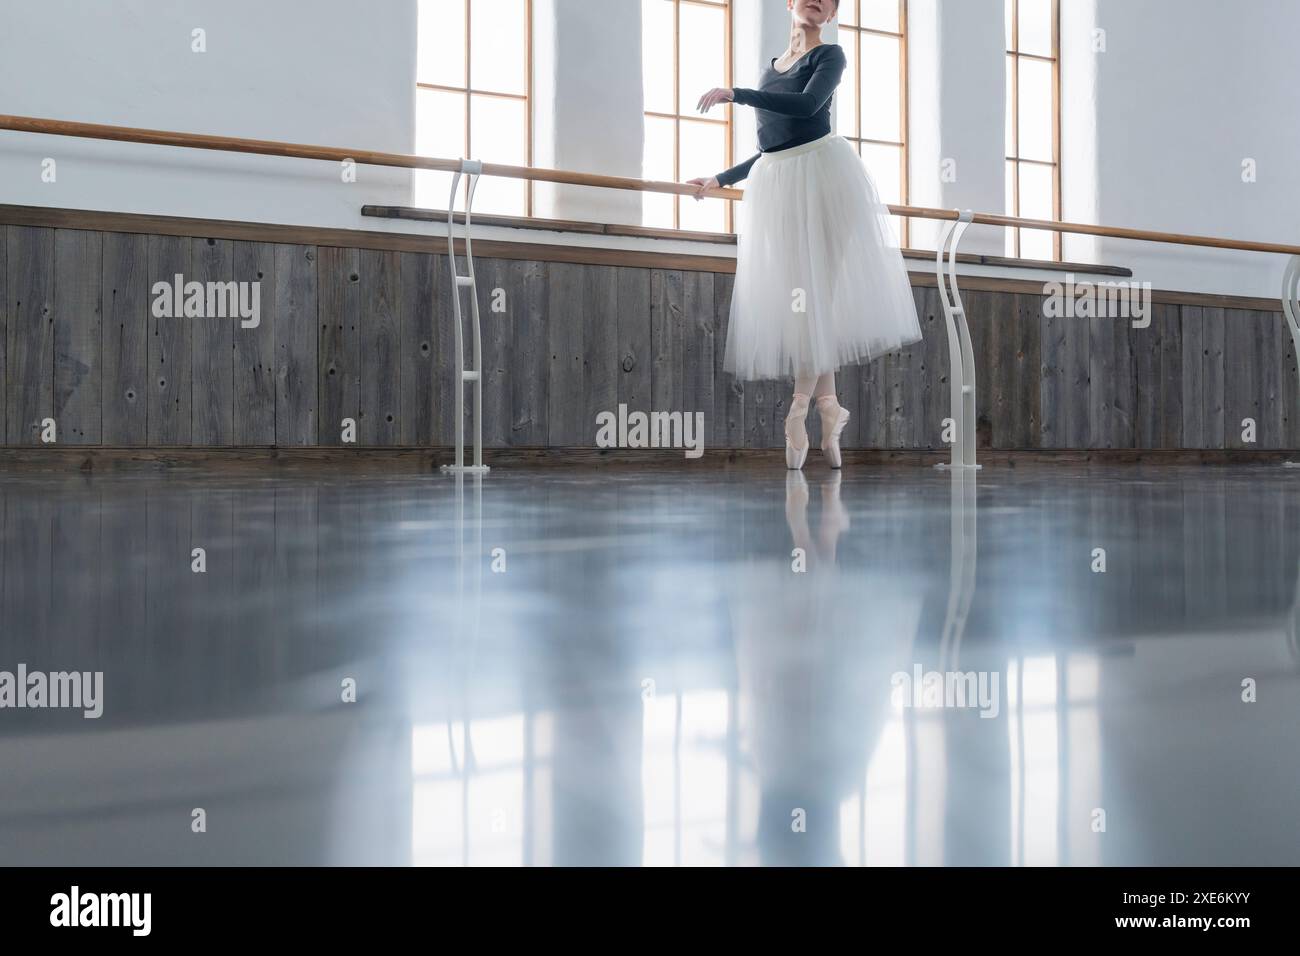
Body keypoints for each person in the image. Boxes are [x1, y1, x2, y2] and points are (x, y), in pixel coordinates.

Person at [689, 0, 922, 470]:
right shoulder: (770, 69)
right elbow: (771, 147)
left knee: (813, 299)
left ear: (831, 15)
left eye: (830, 0)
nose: (818, 0)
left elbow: (807, 106)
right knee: (806, 306)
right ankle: (830, 409)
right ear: (791, 2)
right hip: (780, 184)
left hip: (826, 181)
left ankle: (797, 411)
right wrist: (721, 178)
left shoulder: (829, 57)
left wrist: (737, 93)